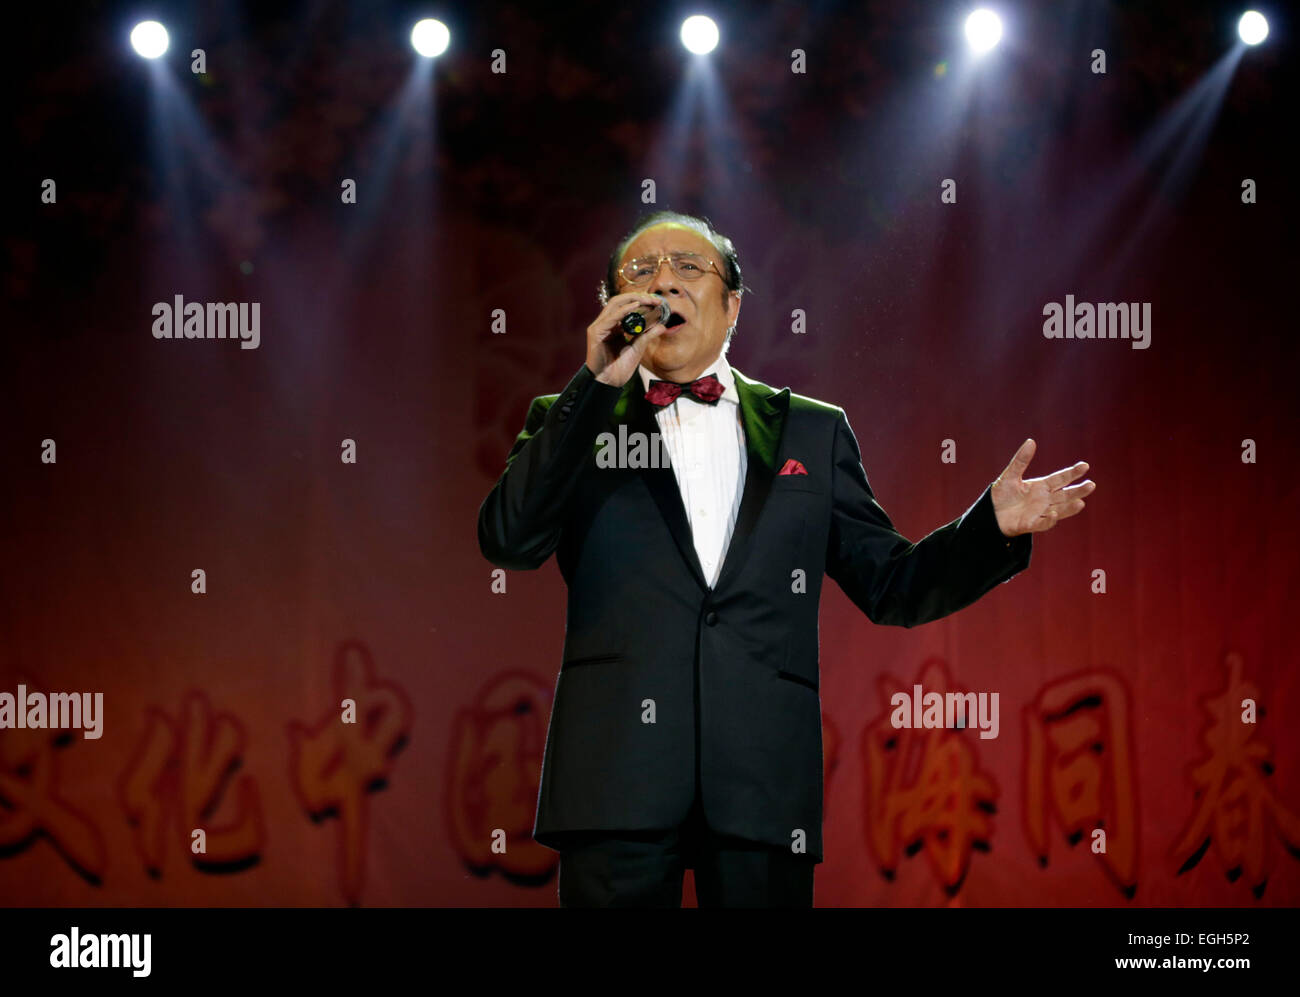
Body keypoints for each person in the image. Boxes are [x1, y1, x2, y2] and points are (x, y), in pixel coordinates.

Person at [476, 210, 1095, 907]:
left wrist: (990, 527)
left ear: (733, 304)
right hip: (615, 778)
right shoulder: (569, 420)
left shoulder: (814, 430)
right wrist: (593, 384)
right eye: (640, 273)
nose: (663, 285)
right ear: (611, 307)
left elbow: (889, 584)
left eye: (687, 267)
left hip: (761, 782)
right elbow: (509, 538)